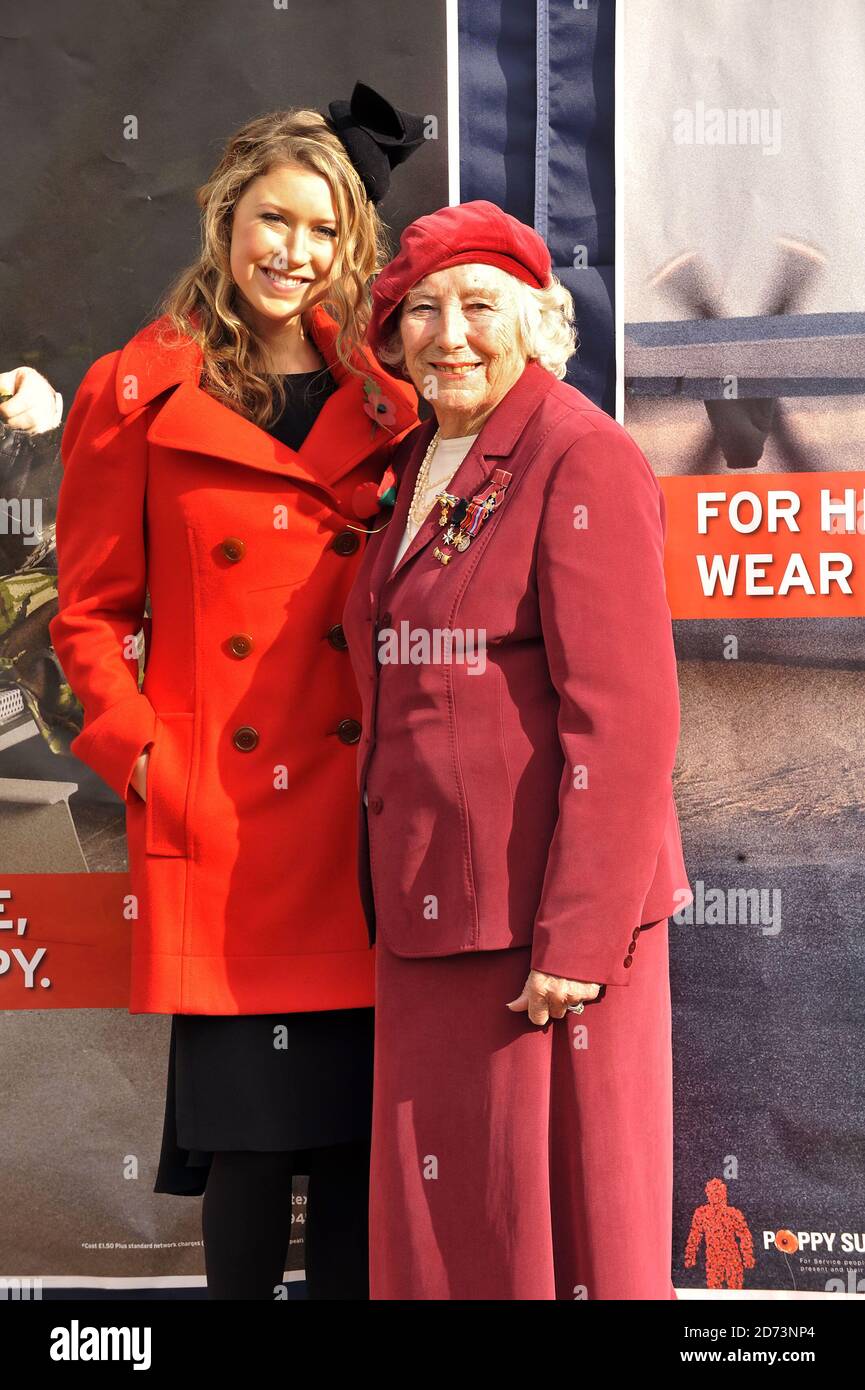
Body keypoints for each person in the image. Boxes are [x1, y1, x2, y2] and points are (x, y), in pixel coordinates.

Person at [48, 86, 425, 1301]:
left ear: (350, 247)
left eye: (323, 232)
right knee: (254, 1163)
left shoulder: (393, 402)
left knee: (362, 1156)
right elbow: (88, 618)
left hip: (364, 831)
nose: (294, 253)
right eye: (274, 219)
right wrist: (149, 760)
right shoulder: (133, 398)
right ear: (224, 215)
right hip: (230, 830)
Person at [341, 200, 694, 1300]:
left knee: (551, 1226)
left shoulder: (580, 454)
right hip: (432, 906)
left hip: (542, 928)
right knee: (447, 1225)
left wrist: (579, 940)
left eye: (479, 306)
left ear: (538, 324)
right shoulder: (417, 459)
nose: (450, 334)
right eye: (422, 311)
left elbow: (626, 720)